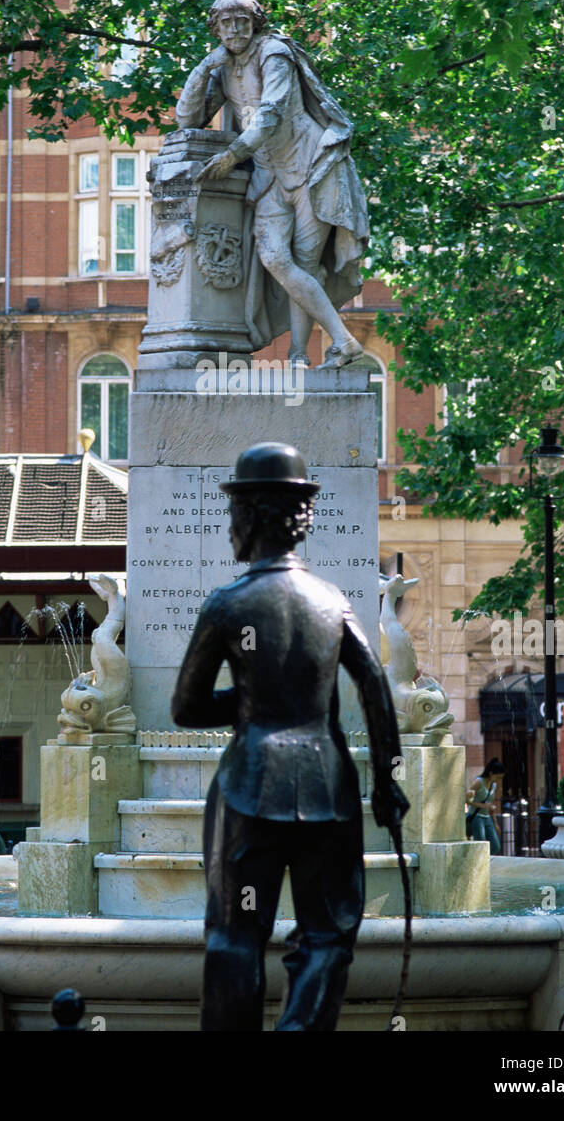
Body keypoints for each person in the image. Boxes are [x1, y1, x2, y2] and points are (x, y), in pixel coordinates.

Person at [172, 441, 408, 1032]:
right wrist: (387, 781)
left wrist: (253, 699)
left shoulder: (229, 604)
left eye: (232, 515)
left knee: (235, 935)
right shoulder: (333, 603)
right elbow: (376, 688)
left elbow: (187, 707)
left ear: (251, 517)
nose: (228, 527)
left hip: (252, 788)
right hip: (327, 789)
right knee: (328, 935)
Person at [176, 0, 369, 368]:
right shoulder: (225, 67)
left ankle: (299, 356)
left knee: (304, 262)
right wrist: (202, 69)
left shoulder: (274, 52)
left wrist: (233, 155)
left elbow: (271, 114)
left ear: (255, 23)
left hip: (311, 167)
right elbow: (187, 119)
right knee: (275, 258)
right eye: (225, 23)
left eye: (242, 21)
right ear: (215, 29)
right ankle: (344, 340)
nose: (234, 30)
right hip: (268, 174)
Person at [467, 758, 505, 855]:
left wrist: (495, 823)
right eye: (497, 777)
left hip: (487, 817)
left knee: (495, 846)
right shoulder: (478, 782)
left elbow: (490, 804)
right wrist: (482, 805)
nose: (498, 780)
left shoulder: (493, 785)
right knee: (480, 845)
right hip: (476, 817)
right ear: (491, 773)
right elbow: (466, 800)